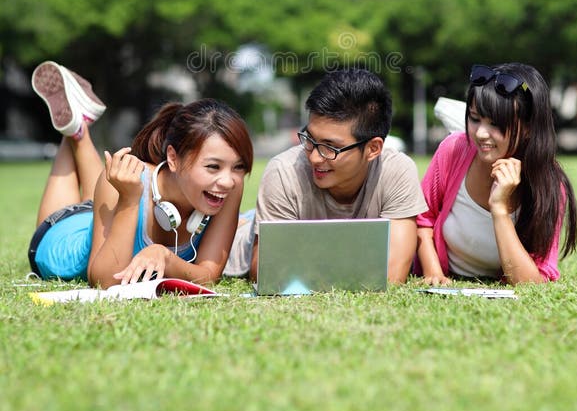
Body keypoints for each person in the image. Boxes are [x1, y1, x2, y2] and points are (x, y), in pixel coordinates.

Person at [28, 60, 253, 289]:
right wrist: (128, 201)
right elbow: (104, 281)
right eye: (213, 167)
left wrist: (165, 257)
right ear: (173, 158)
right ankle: (76, 131)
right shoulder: (129, 183)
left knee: (108, 187)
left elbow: (208, 274)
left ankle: (76, 125)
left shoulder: (229, 186)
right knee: (106, 180)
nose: (227, 180)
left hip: (104, 213)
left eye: (239, 167)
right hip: (63, 233)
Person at [226, 67, 428, 284]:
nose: (314, 158)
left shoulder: (396, 170)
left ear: (373, 149)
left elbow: (393, 275)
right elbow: (267, 271)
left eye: (330, 147)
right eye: (310, 139)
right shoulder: (284, 171)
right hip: (242, 239)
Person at [416, 63, 577, 285]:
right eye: (475, 118)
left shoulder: (549, 183)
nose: (481, 133)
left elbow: (532, 282)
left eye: (496, 124)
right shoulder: (454, 149)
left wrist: (500, 209)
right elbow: (423, 219)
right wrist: (433, 272)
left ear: (528, 126)